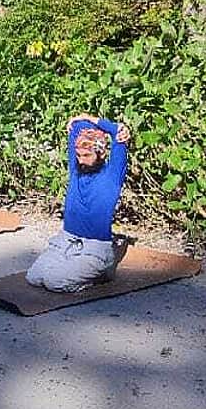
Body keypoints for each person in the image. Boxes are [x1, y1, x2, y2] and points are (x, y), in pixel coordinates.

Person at [25, 114, 132, 292]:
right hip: (66, 241)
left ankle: (103, 271)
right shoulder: (76, 170)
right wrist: (80, 118)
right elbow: (77, 126)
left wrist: (94, 120)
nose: (80, 160)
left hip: (95, 247)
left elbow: (118, 132)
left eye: (86, 155)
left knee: (54, 282)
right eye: (79, 155)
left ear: (100, 153)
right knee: (34, 277)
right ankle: (75, 265)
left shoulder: (112, 176)